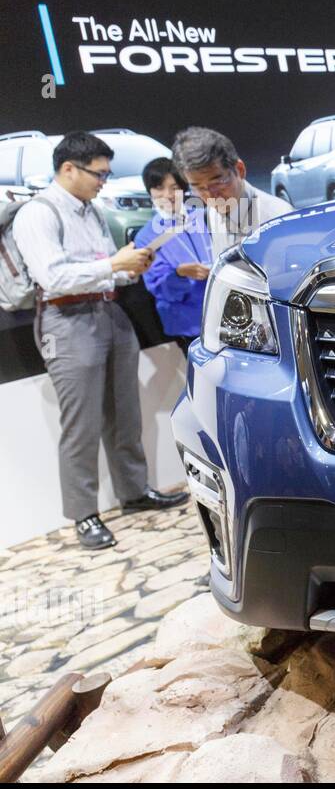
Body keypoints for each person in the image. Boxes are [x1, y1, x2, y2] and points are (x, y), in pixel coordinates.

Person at [11, 132, 188, 549]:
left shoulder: (90, 211)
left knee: (125, 413)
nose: (104, 181)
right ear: (68, 169)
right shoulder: (38, 214)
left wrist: (131, 267)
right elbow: (52, 277)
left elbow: (104, 266)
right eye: (99, 173)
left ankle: (134, 492)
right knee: (82, 423)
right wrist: (113, 263)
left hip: (110, 312)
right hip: (67, 320)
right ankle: (83, 514)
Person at [170, 127, 291, 256]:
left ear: (240, 170)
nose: (211, 195)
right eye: (198, 187)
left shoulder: (280, 219)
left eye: (218, 182)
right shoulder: (213, 212)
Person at [140, 157, 210, 350]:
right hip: (189, 324)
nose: (168, 195)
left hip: (226, 312)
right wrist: (179, 274)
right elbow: (158, 287)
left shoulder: (205, 215)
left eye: (174, 187)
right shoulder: (146, 237)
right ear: (150, 192)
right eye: (159, 188)